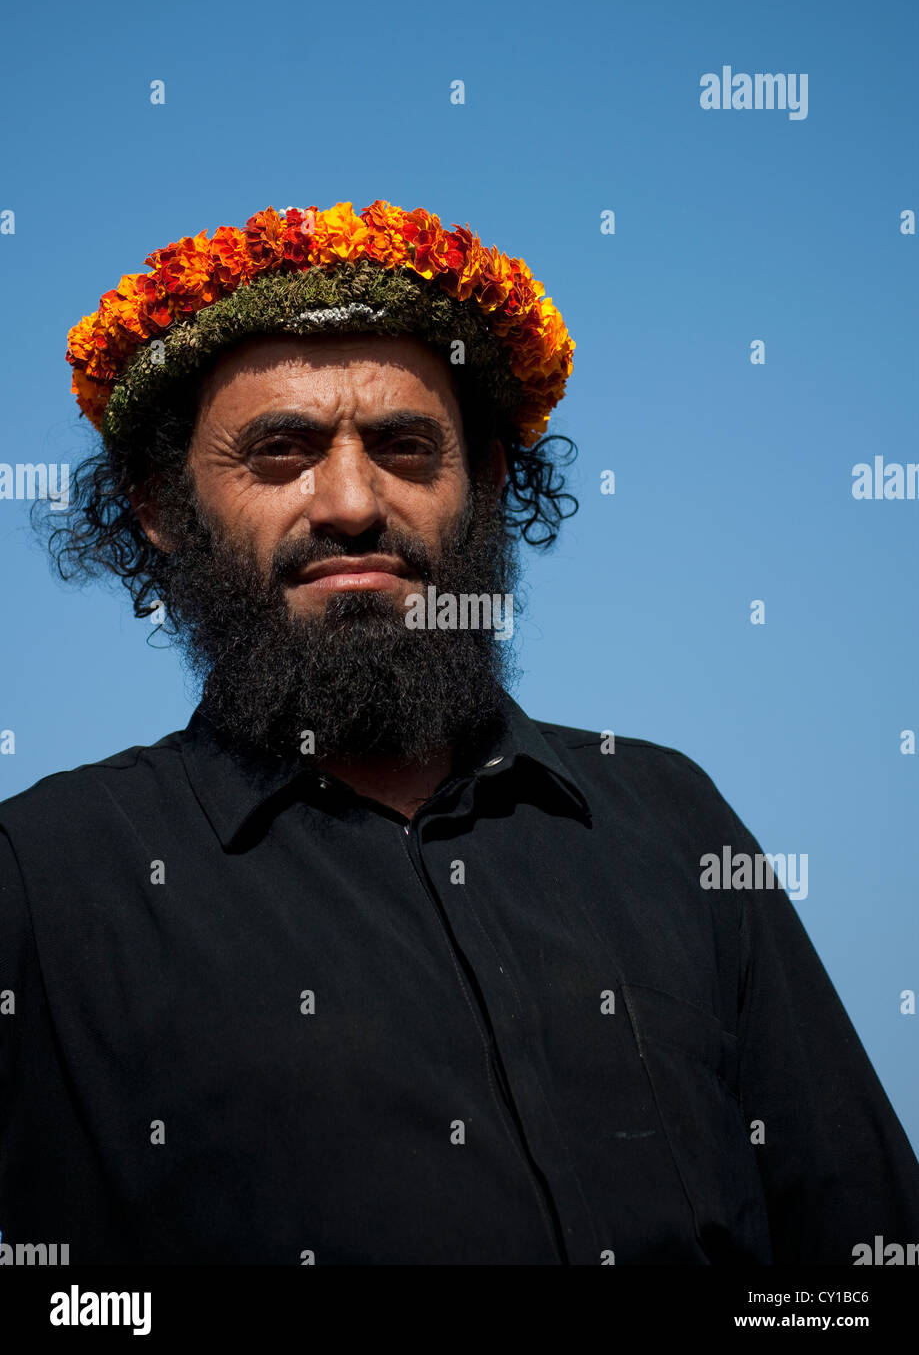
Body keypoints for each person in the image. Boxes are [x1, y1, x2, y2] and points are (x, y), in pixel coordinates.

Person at [1, 201, 917, 1265]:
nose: (350, 502)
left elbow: (861, 1255)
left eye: (402, 447)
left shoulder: (670, 819)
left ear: (483, 482)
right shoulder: (46, 878)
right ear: (161, 506)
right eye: (281, 451)